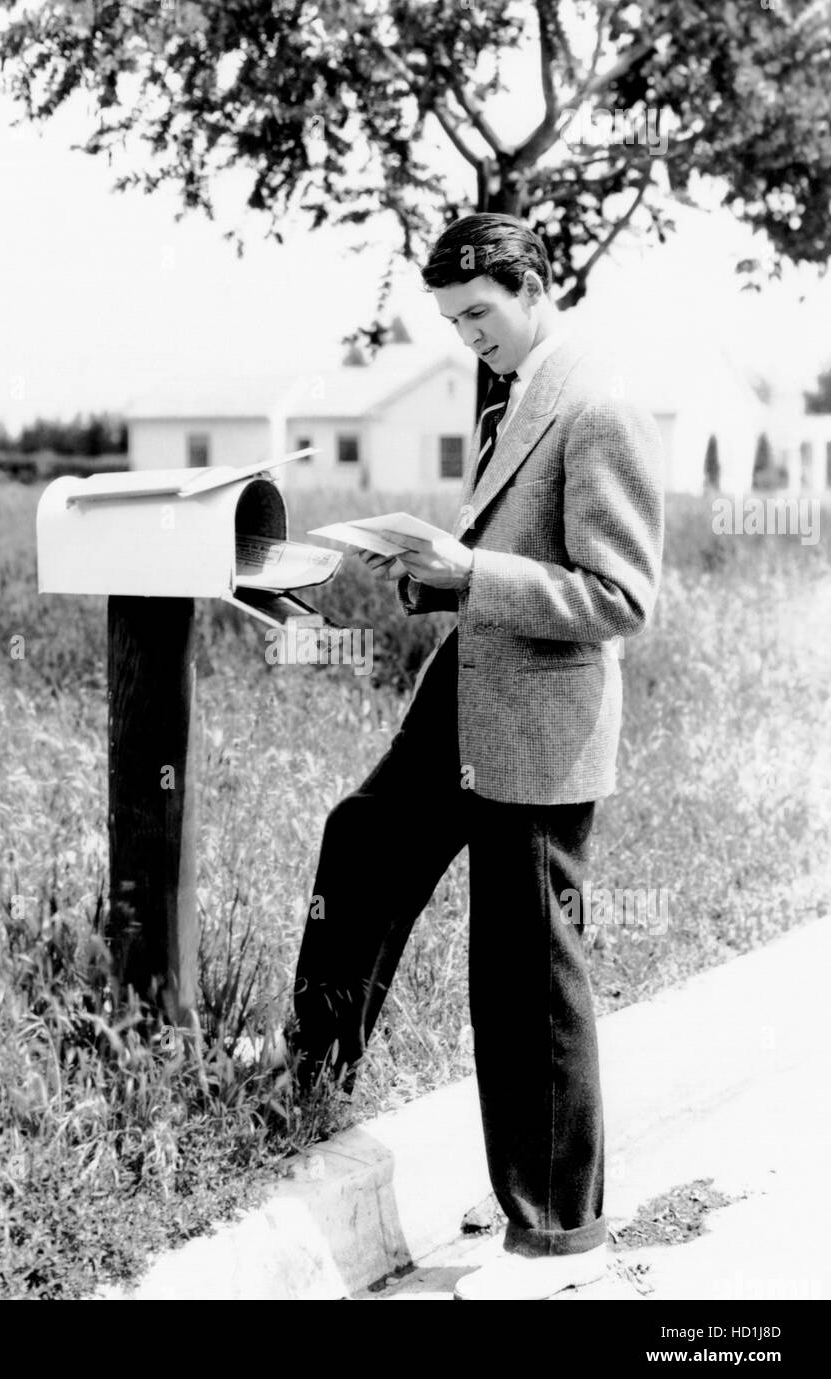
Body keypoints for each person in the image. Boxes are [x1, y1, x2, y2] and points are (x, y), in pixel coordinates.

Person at [289, 212, 665, 1300]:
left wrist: (472, 572)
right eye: (450, 322)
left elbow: (618, 596)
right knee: (361, 844)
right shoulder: (518, 389)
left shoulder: (596, 401)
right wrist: (434, 572)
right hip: (468, 689)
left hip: (541, 724)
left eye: (478, 316)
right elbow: (506, 555)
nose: (466, 339)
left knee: (522, 971)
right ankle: (307, 1080)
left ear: (534, 284)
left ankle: (557, 1236)